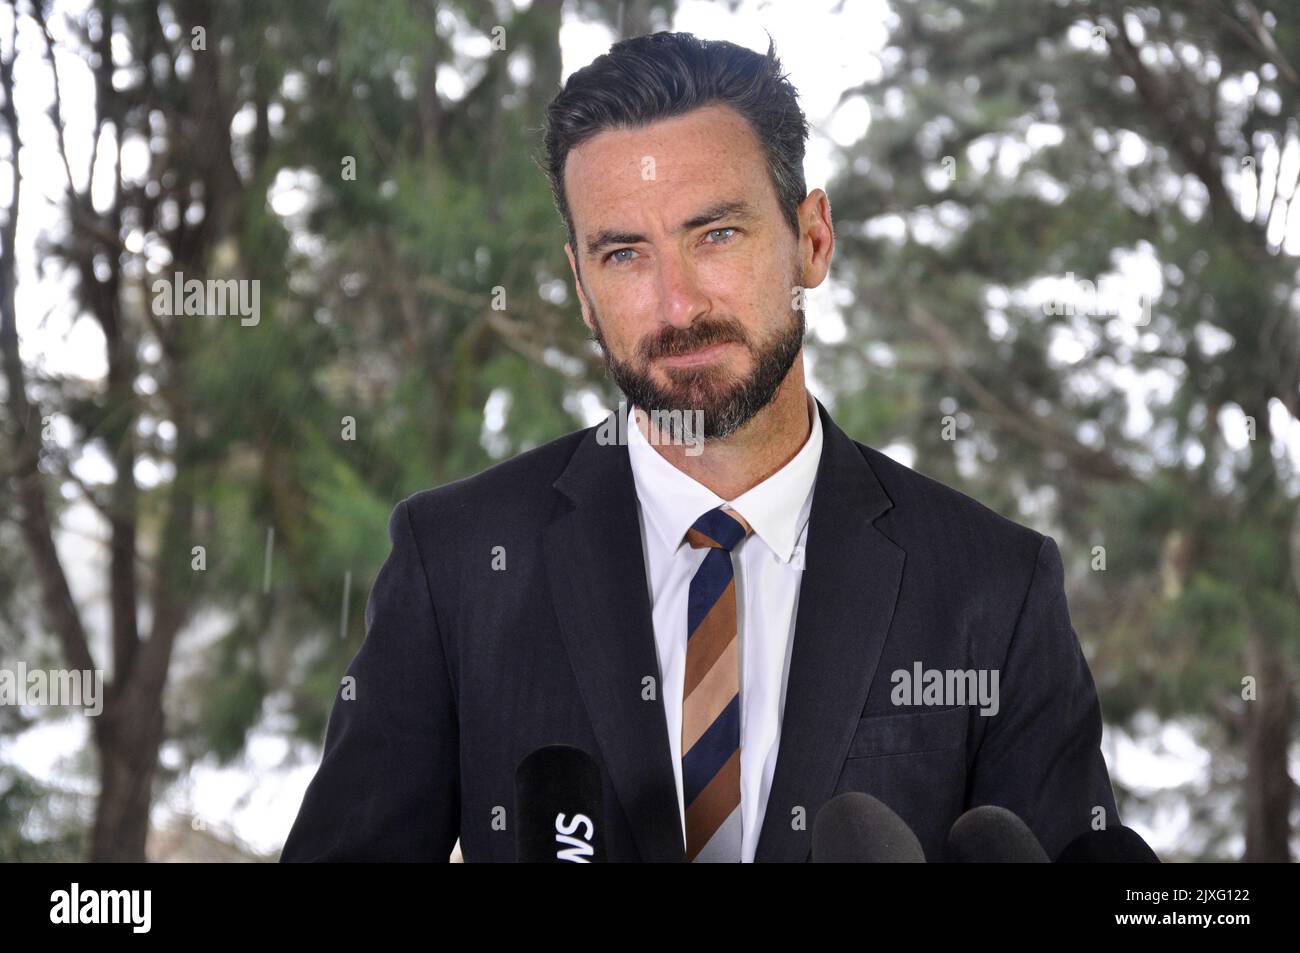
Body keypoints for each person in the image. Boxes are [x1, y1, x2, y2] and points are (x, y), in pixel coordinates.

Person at [281, 31, 1119, 863]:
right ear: (580, 285)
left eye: (716, 234)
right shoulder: (456, 563)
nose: (676, 305)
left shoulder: (994, 589)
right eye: (624, 253)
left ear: (813, 239)